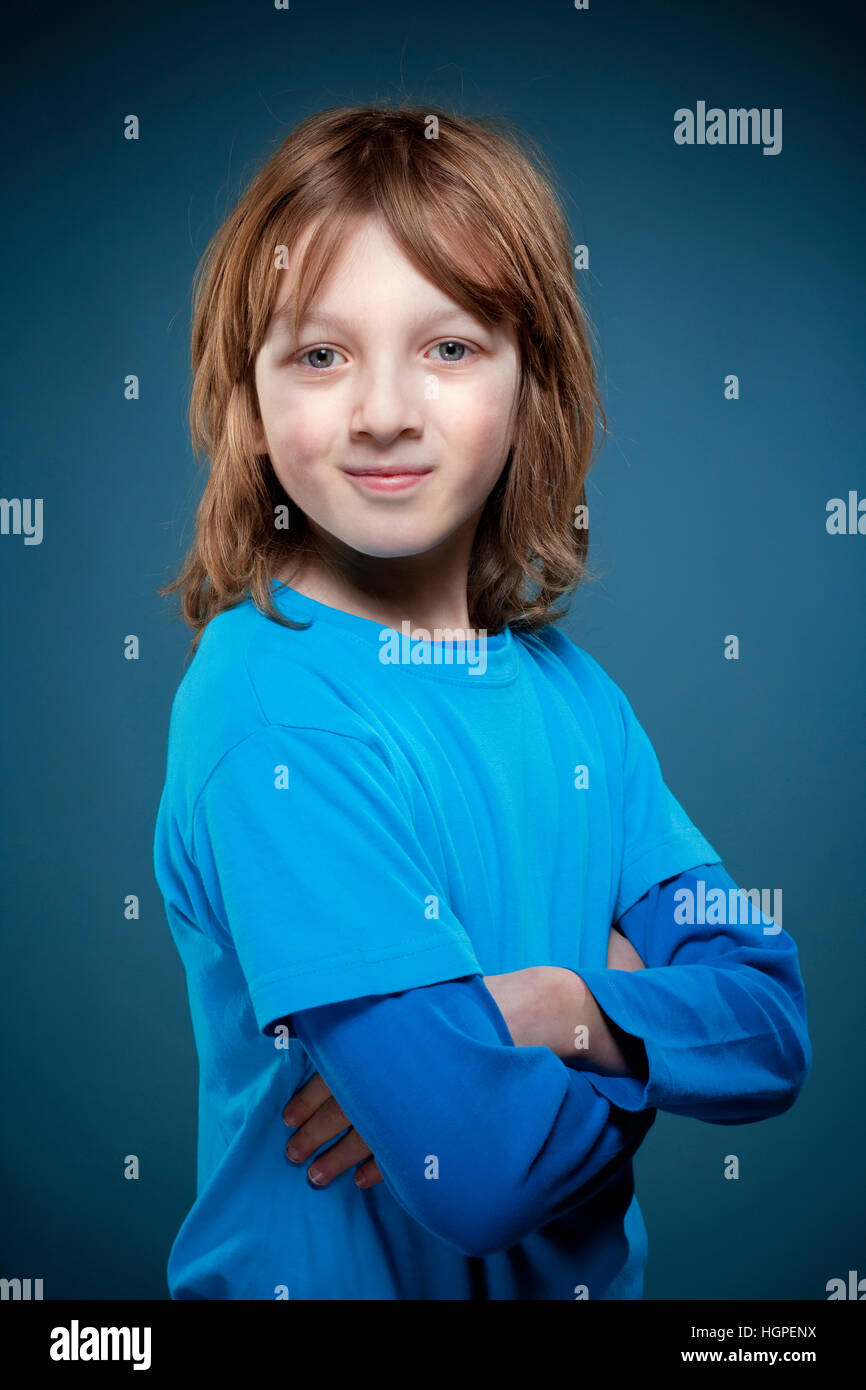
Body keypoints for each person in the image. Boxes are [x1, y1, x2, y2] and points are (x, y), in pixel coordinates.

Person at [153, 104, 811, 1300]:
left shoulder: (576, 700)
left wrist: (548, 1007)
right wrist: (634, 1024)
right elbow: (483, 1173)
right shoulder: (270, 714)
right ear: (249, 402)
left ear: (530, 385)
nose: (385, 411)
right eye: (319, 353)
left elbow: (768, 1024)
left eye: (449, 348)